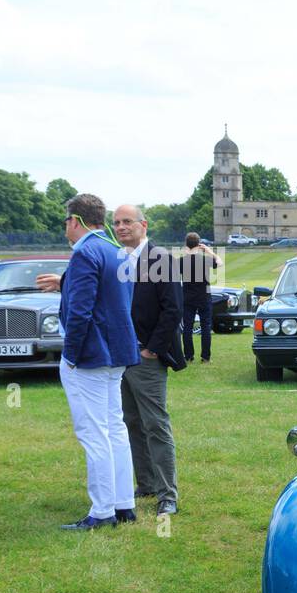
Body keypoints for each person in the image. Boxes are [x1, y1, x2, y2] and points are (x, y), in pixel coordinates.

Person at [54, 194, 139, 530]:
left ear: (75, 221)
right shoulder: (116, 250)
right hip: (116, 351)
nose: (65, 229)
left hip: (90, 355)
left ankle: (102, 511)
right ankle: (123, 504)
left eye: (66, 223)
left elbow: (80, 311)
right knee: (114, 427)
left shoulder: (86, 252)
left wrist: (72, 355)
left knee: (94, 432)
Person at [111, 205, 186, 517]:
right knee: (131, 422)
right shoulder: (117, 259)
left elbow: (173, 309)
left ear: (143, 225)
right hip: (121, 357)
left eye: (127, 222)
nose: (121, 227)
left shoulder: (162, 259)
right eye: (116, 223)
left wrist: (152, 349)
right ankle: (146, 484)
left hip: (146, 356)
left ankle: (168, 495)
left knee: (155, 424)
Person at [179, 232, 222, 362]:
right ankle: (205, 357)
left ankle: (188, 356)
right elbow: (219, 262)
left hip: (187, 297)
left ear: (186, 245)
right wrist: (209, 251)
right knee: (206, 327)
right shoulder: (206, 259)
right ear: (199, 245)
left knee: (187, 327)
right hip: (204, 296)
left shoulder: (181, 261)